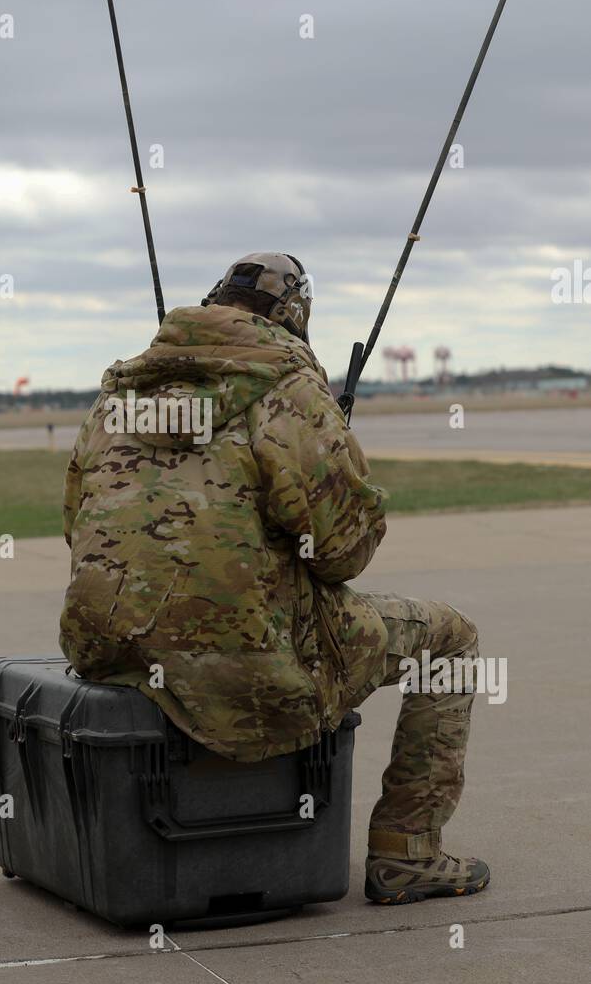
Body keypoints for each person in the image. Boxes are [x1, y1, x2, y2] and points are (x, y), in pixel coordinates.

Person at [60, 253, 488, 905]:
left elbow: (77, 528)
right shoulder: (291, 396)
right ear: (294, 319)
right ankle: (409, 852)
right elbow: (343, 555)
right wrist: (343, 459)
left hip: (109, 652)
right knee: (451, 640)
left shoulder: (116, 399)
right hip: (256, 665)